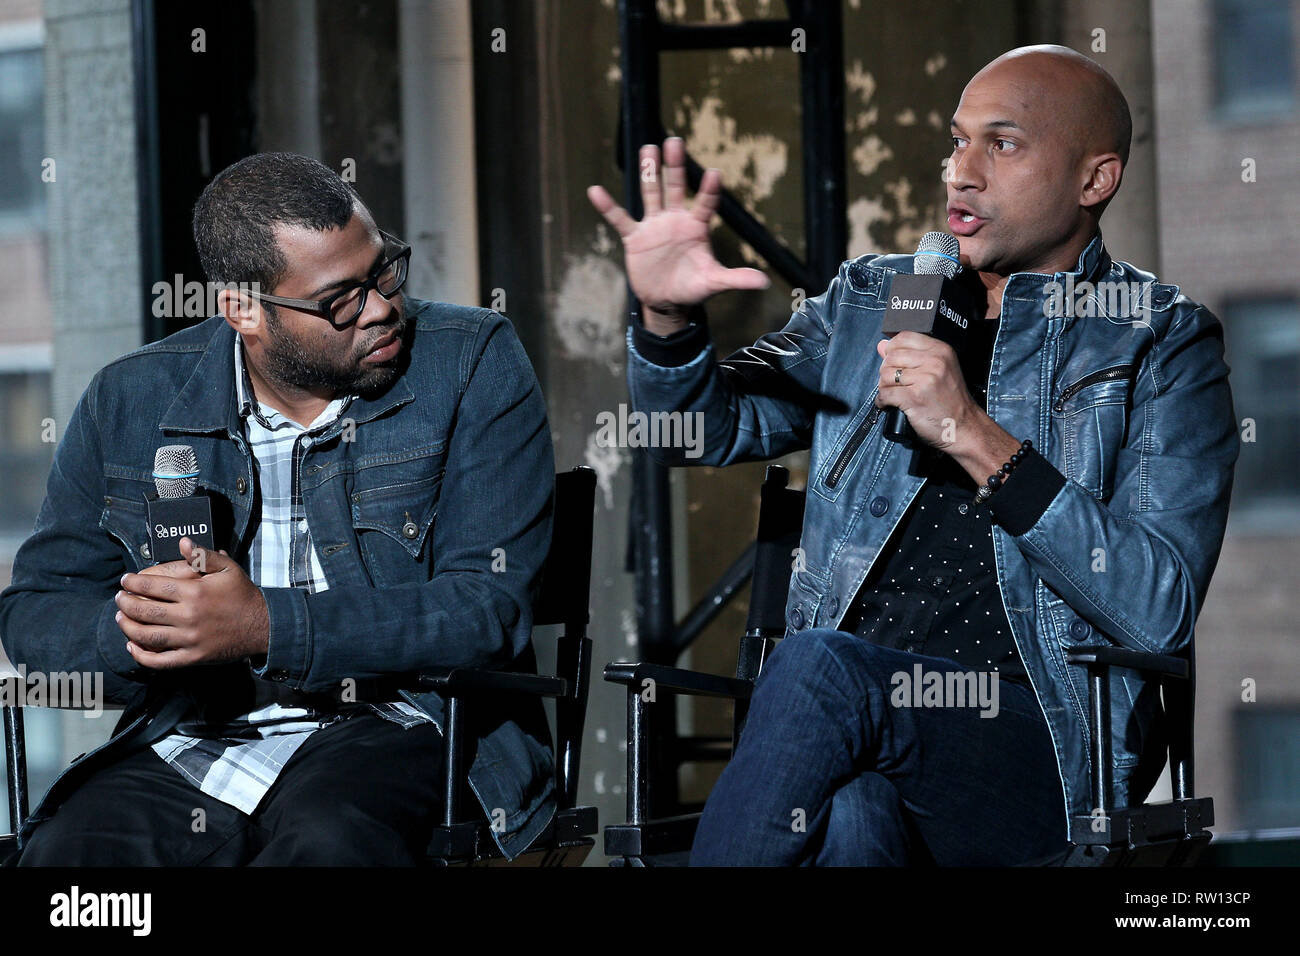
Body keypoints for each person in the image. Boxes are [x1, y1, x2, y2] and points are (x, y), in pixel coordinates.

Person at [588, 45, 1238, 865]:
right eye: (957, 142)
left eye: (1002, 144)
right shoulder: (875, 299)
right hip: (860, 731)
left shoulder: (1158, 337)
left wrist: (972, 433)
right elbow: (703, 429)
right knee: (854, 813)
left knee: (823, 670)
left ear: (1094, 180)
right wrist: (666, 321)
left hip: (1039, 745)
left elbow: (1158, 605)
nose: (962, 173)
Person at [1, 152, 556, 865]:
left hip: (404, 723)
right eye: (340, 300)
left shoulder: (470, 360)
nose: (381, 308)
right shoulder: (129, 398)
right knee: (72, 860)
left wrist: (265, 625)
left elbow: (489, 607)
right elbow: (36, 612)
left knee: (327, 840)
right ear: (243, 309)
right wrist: (151, 629)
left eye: (384, 270)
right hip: (195, 736)